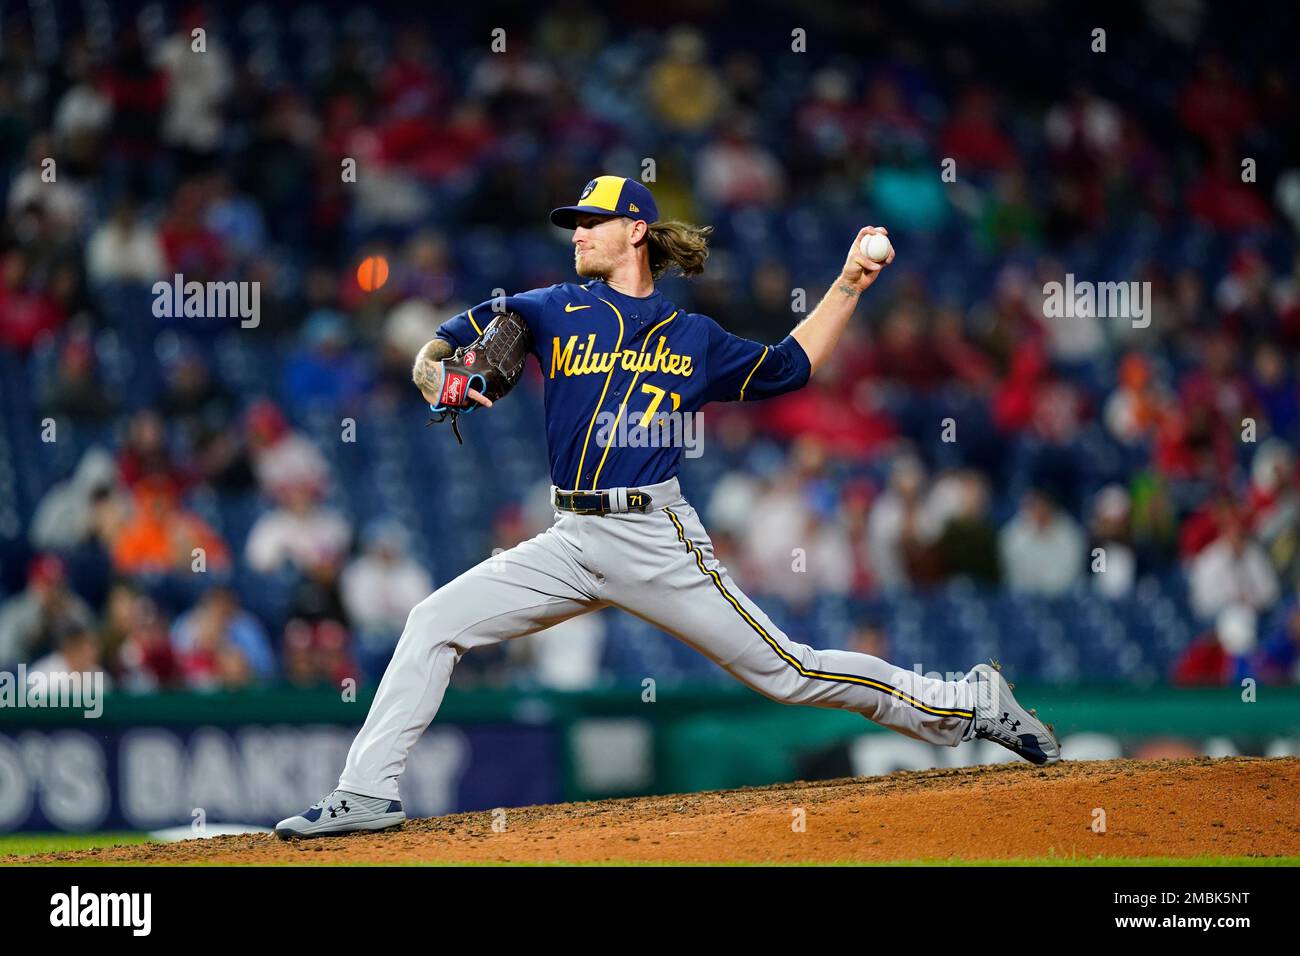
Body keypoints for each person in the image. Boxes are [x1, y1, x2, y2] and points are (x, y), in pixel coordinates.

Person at [275, 175, 1060, 839]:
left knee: (789, 672)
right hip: (571, 534)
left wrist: (850, 283)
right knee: (431, 623)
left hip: (656, 535)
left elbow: (789, 367)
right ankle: (366, 793)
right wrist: (434, 377)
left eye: (593, 222)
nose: (578, 232)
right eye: (575, 222)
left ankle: (970, 702)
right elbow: (435, 349)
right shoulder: (548, 307)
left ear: (636, 230)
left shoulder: (692, 335)